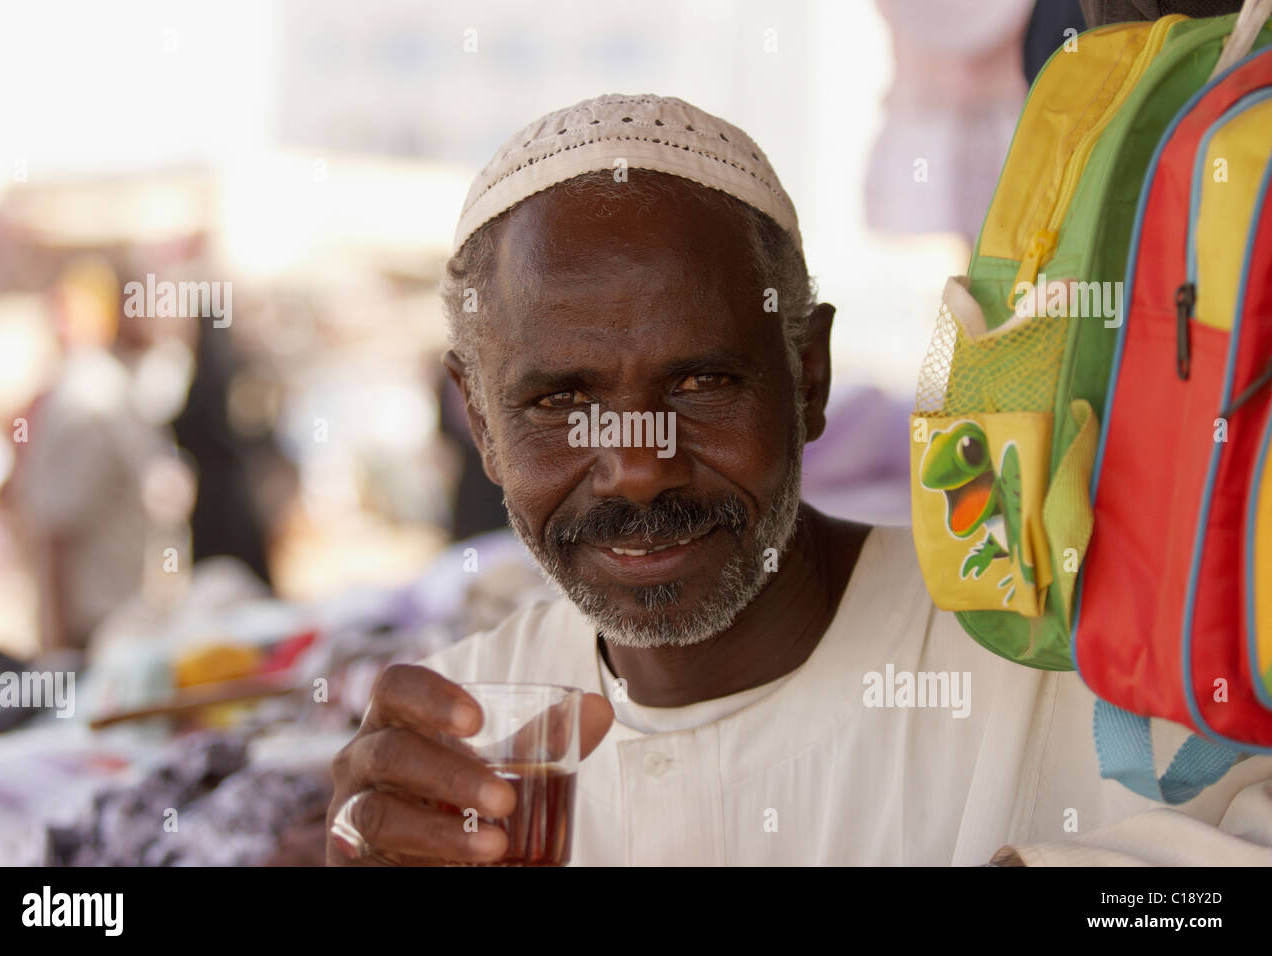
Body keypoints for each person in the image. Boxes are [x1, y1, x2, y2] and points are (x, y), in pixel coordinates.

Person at [326, 94, 1272, 866]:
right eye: (562, 402)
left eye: (701, 383)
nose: (640, 468)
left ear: (807, 376)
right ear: (480, 421)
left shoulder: (1059, 654)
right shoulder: (464, 738)